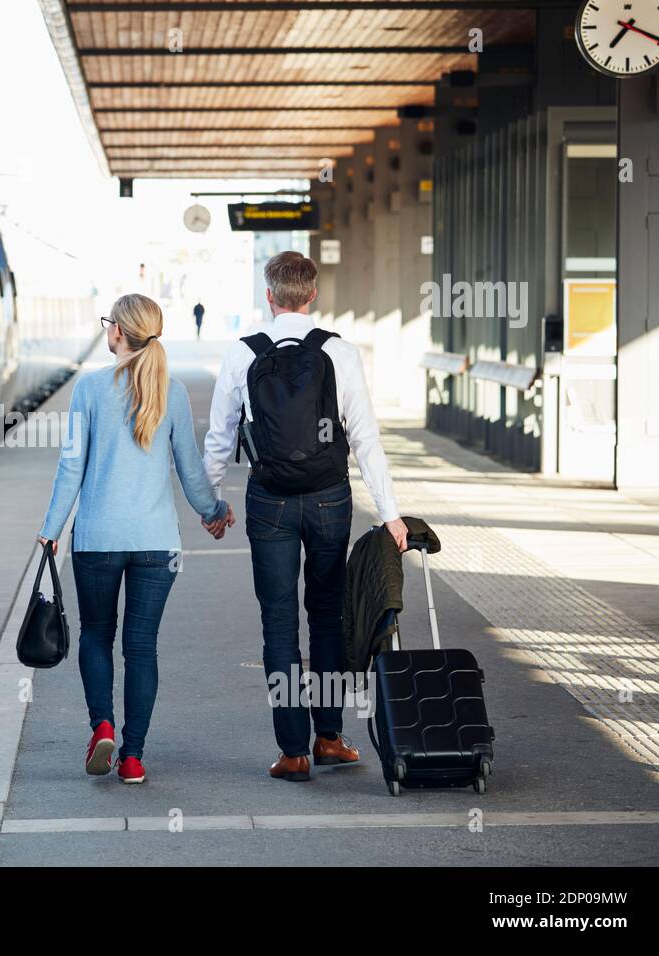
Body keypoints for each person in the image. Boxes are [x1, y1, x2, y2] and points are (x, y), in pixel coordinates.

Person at [202, 252, 407, 783]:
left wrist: (212, 501)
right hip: (328, 499)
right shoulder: (338, 352)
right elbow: (364, 438)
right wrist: (391, 515)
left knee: (278, 623)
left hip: (268, 499)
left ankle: (292, 752)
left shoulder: (243, 353)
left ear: (269, 296)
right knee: (326, 617)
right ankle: (331, 738)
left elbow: (221, 435)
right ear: (312, 295)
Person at [39, 293, 232, 785]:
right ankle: (132, 757)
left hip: (97, 541)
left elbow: (70, 468)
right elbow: (190, 471)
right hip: (156, 545)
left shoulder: (89, 390)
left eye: (109, 324)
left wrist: (51, 530)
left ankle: (101, 724)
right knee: (142, 649)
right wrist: (214, 512)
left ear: (119, 332)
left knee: (96, 635)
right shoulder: (174, 392)